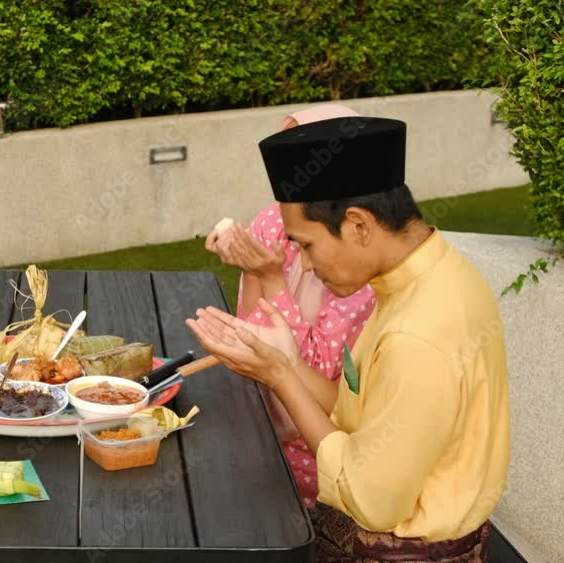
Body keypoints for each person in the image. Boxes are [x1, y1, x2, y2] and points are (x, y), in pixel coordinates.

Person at [188, 116, 509, 561]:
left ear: (358, 225)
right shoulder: (426, 276)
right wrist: (289, 361)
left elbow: (370, 499)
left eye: (306, 246)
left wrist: (281, 376)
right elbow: (355, 407)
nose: (303, 264)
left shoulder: (418, 335)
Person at [206, 104, 376, 508]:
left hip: (315, 453)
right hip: (257, 422)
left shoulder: (358, 261)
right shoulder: (273, 223)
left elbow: (317, 379)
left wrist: (272, 278)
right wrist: (252, 270)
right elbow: (252, 334)